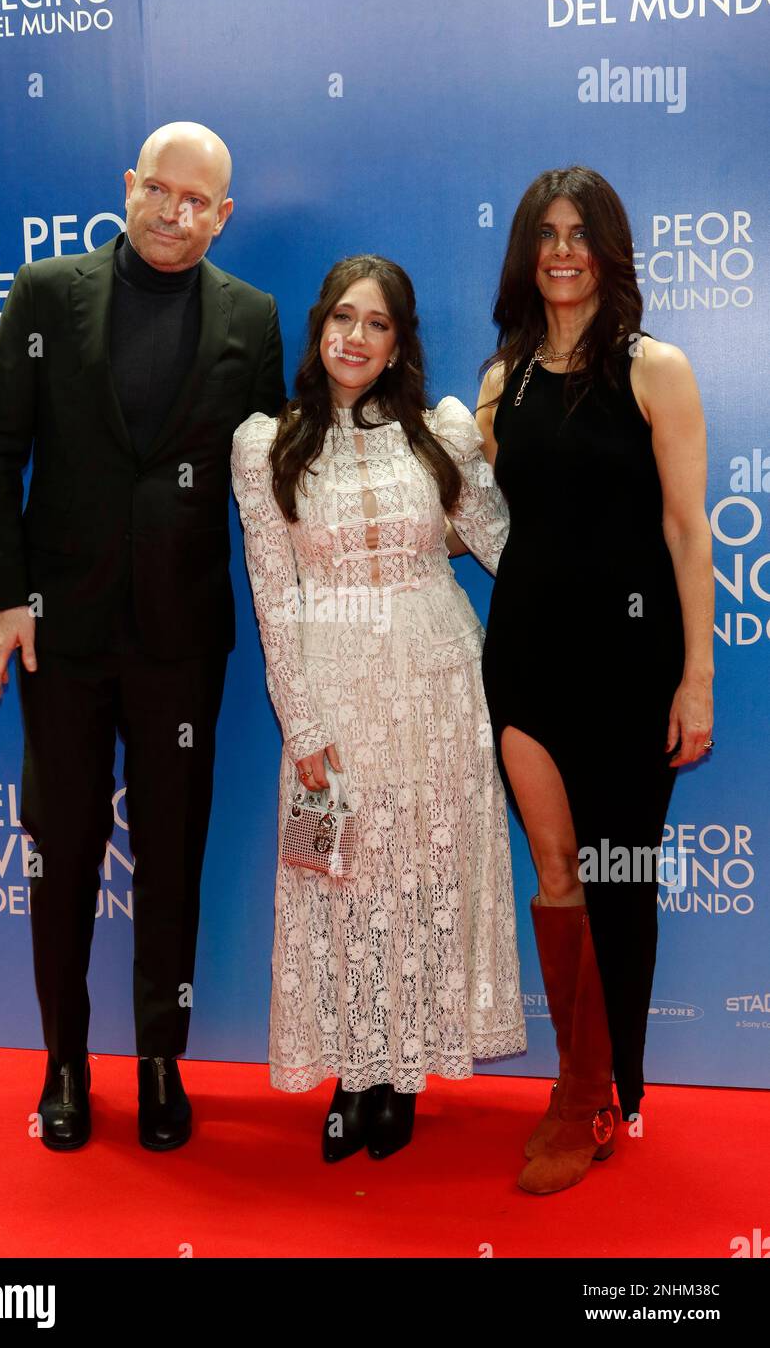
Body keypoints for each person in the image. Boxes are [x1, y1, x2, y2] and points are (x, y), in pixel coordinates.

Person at [0, 122, 285, 1152]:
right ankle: (63, 1060)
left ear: (222, 215)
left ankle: (160, 1061)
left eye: (199, 202)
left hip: (182, 641)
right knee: (61, 856)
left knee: (173, 858)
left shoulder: (253, 317)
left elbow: (273, 487)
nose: (175, 212)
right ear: (130, 186)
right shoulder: (46, 294)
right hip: (61, 637)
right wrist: (8, 600)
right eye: (161, 190)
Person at [230, 255, 526, 1163]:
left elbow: (503, 546)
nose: (355, 338)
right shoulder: (264, 444)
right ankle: (351, 1073)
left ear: (400, 345)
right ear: (319, 330)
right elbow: (274, 598)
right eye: (342, 318)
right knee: (341, 881)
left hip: (441, 687)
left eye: (378, 324)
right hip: (334, 692)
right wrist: (303, 719)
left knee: (425, 879)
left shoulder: (438, 434)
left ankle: (402, 1076)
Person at [472, 166, 714, 1194]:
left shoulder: (655, 368)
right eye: (544, 234)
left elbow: (682, 527)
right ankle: (578, 1089)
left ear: (608, 251)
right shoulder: (501, 381)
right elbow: (492, 520)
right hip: (523, 653)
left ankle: (612, 1081)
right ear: (525, 253)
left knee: (618, 873)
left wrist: (695, 676)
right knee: (555, 867)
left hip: (630, 661)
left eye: (579, 233)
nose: (560, 250)